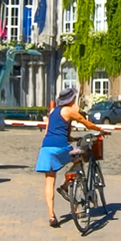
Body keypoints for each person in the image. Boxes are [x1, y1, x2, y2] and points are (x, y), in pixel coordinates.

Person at [35, 86, 105, 228]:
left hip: (46, 148)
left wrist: (71, 138)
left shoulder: (53, 111)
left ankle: (51, 216)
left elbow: (52, 131)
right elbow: (86, 123)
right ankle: (68, 184)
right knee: (80, 156)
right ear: (71, 99)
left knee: (49, 181)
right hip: (60, 147)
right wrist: (101, 130)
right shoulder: (68, 111)